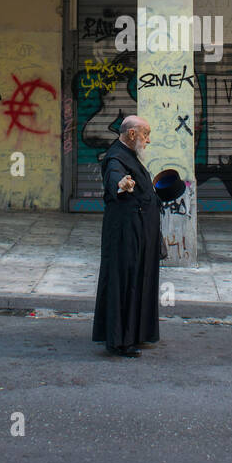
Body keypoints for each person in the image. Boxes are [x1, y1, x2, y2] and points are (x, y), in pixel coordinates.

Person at [92, 115, 162, 358]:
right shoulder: (116, 157)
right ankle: (120, 341)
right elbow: (114, 176)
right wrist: (121, 184)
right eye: (146, 134)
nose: (148, 140)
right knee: (125, 282)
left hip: (138, 230)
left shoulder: (129, 155)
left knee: (138, 280)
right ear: (132, 134)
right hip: (125, 233)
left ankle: (135, 334)